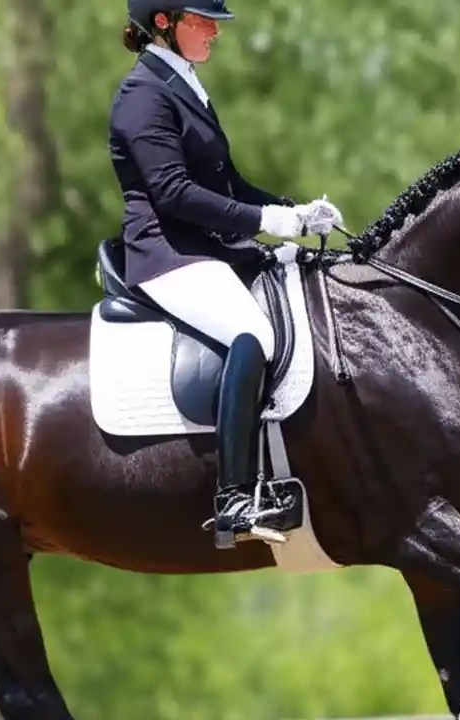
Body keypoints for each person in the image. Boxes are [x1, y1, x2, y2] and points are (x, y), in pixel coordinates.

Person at [109, 0, 344, 549]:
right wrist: (270, 222)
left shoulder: (183, 83)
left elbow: (228, 183)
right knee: (254, 334)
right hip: (167, 254)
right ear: (164, 24)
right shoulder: (142, 95)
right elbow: (173, 192)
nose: (214, 29)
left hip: (208, 248)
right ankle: (235, 498)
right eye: (202, 20)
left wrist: (298, 214)